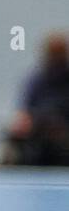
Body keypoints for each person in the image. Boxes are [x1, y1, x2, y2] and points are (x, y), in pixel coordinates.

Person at [9, 33, 69, 166]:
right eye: (54, 55)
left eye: (59, 55)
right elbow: (24, 113)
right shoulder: (36, 80)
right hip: (39, 134)